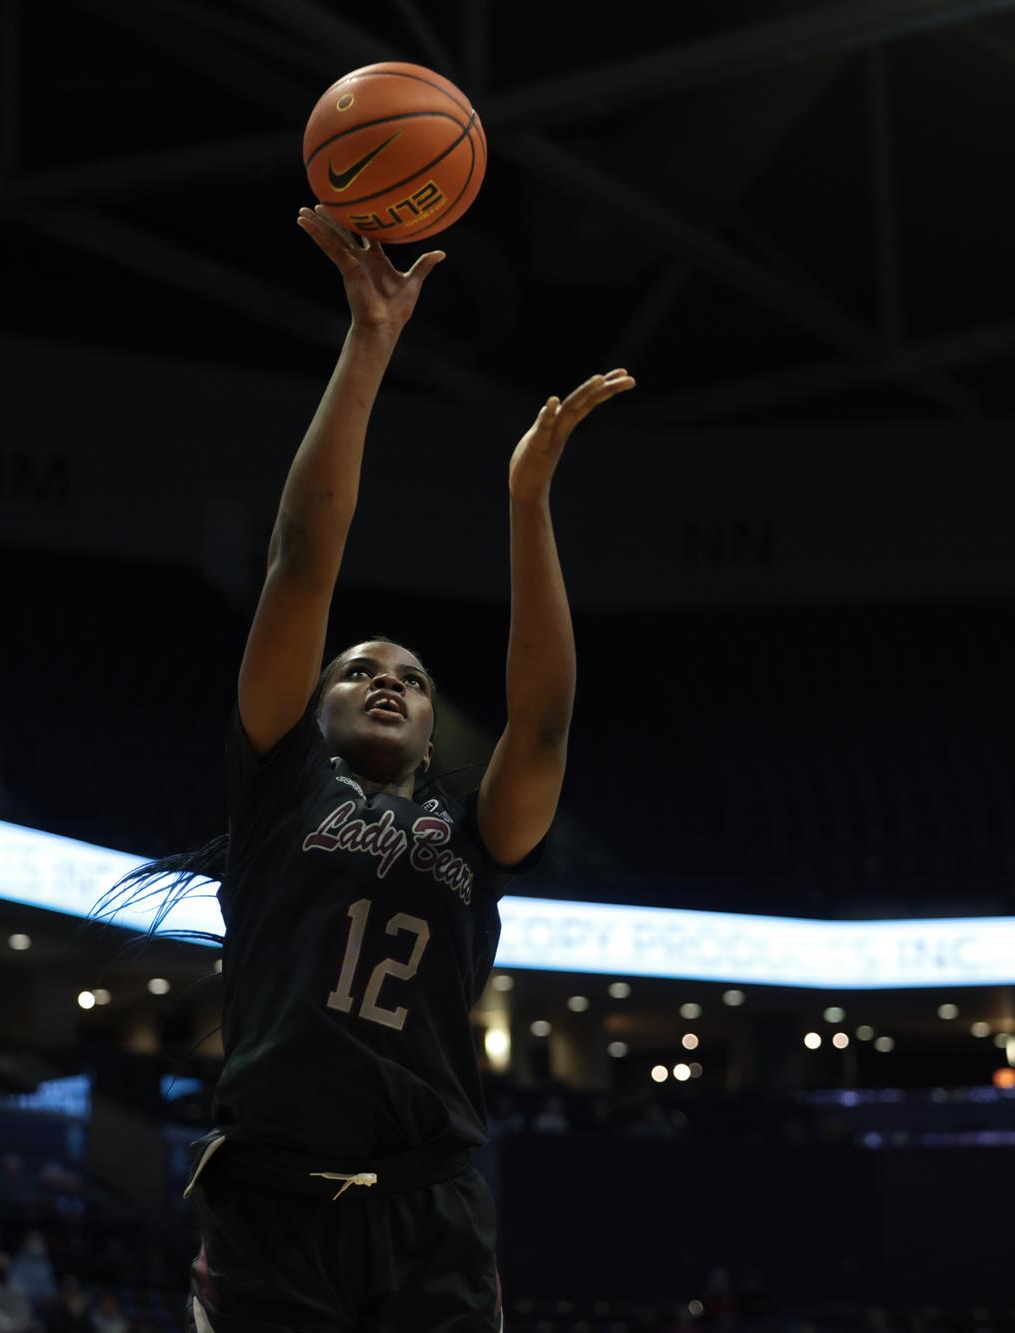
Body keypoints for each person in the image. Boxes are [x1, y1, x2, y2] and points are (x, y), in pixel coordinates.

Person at [104, 205, 631, 1333]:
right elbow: (301, 562)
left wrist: (527, 502)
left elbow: (541, 723)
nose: (383, 679)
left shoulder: (473, 835)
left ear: (435, 733)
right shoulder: (279, 782)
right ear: (315, 703)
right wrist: (369, 344)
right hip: (269, 1202)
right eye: (355, 671)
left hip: (427, 1208)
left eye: (410, 678)